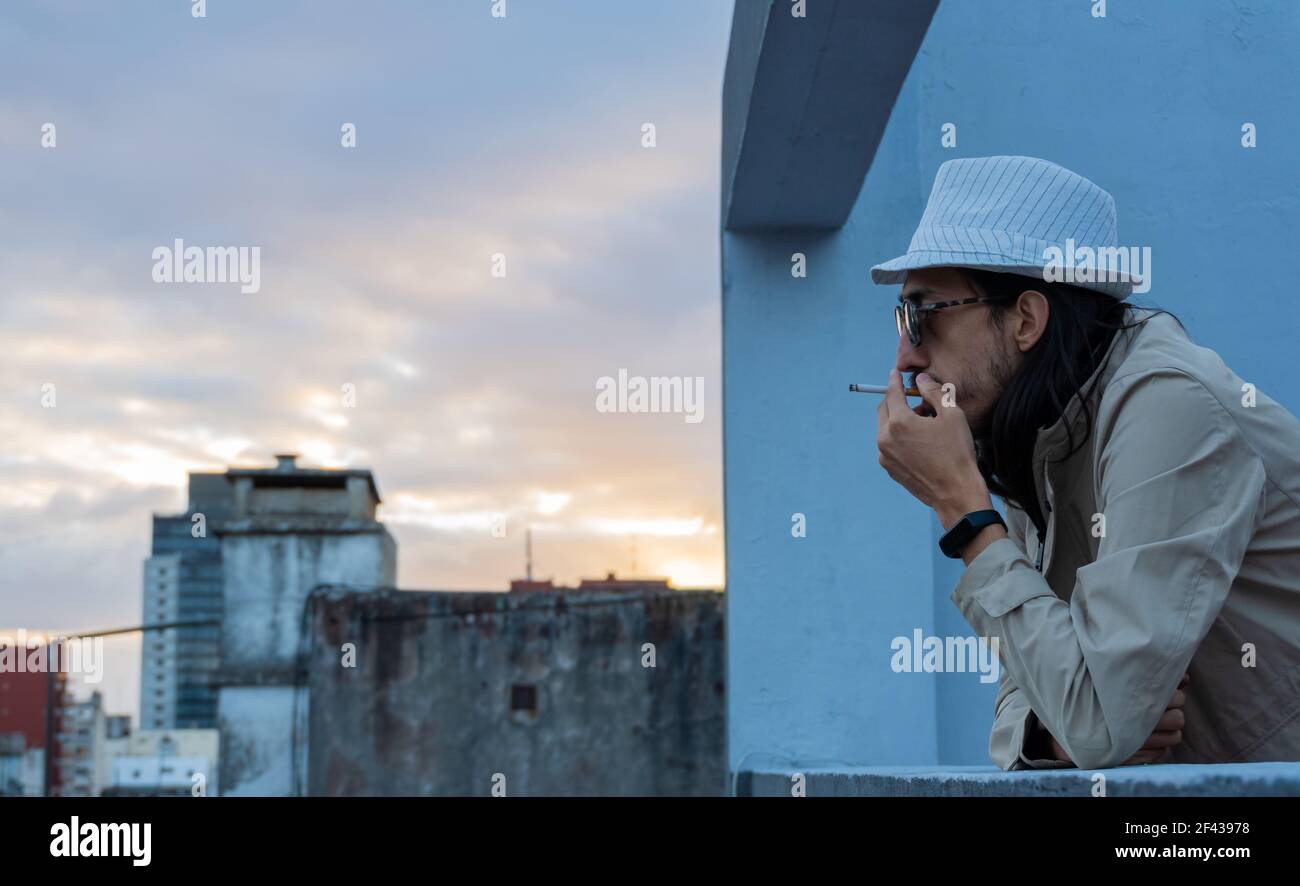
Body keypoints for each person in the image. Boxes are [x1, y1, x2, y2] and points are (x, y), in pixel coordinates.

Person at [871, 156, 1300, 769]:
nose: (906, 356)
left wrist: (965, 514)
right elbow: (1035, 702)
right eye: (901, 317)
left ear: (1025, 319)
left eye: (923, 314)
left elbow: (1097, 722)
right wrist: (1044, 738)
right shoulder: (1040, 435)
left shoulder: (1169, 404)